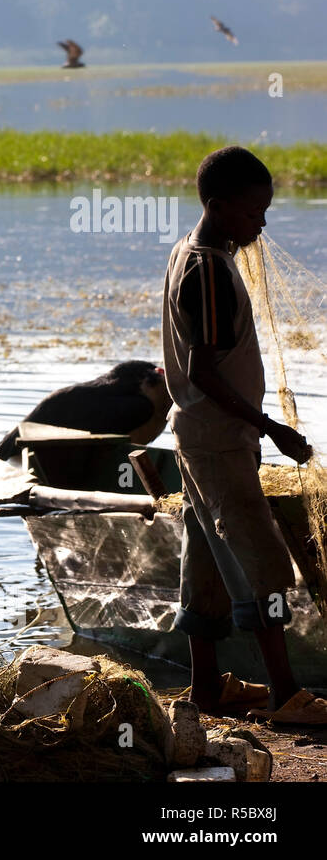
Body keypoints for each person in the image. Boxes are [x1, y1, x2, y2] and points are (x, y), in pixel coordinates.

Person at [162, 145, 327, 724]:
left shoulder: (194, 250)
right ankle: (287, 697)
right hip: (219, 442)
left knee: (204, 562)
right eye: (254, 211)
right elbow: (205, 369)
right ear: (218, 205)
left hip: (198, 437)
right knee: (265, 568)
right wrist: (271, 427)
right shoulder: (206, 268)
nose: (262, 223)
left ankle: (206, 688)